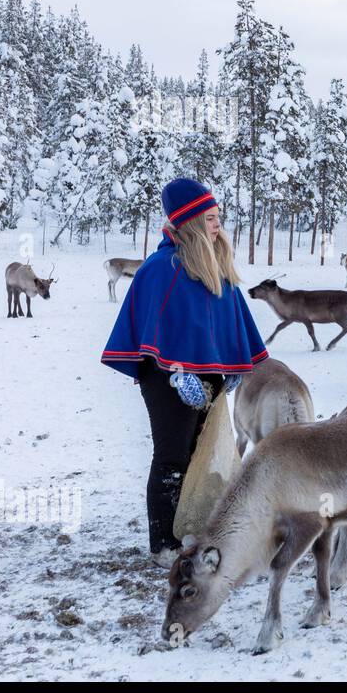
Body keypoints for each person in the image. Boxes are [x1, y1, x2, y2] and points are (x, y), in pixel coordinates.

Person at [101, 178, 267, 568]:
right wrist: (177, 373)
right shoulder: (162, 268)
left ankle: (188, 527)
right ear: (190, 220)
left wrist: (230, 368)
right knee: (172, 457)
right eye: (210, 218)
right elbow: (154, 329)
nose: (218, 225)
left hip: (207, 377)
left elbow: (224, 321)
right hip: (167, 378)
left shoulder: (215, 266)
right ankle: (163, 543)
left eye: (219, 217)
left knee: (198, 456)